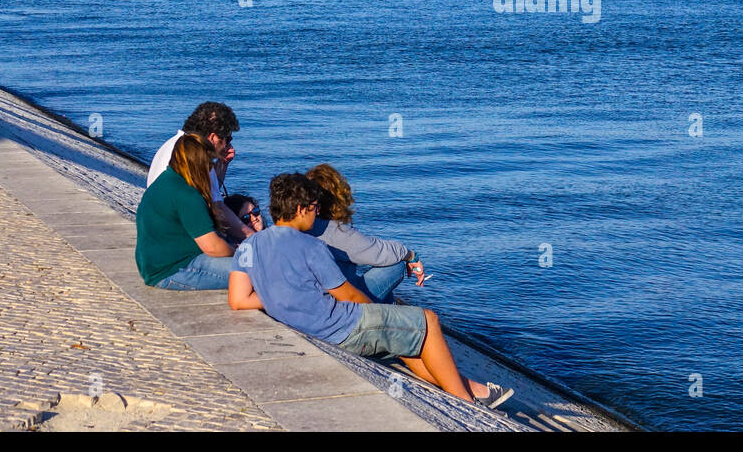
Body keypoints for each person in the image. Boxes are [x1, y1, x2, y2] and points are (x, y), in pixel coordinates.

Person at [229, 173, 512, 409]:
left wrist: (283, 297)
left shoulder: (248, 247)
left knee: (405, 337)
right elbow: (348, 296)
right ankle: (465, 403)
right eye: (314, 207)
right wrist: (382, 312)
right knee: (428, 321)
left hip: (314, 329)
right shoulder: (311, 247)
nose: (317, 213)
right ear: (300, 209)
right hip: (341, 328)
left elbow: (238, 300)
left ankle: (468, 391)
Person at [305, 163, 424, 304]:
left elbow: (366, 246)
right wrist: (411, 256)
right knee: (395, 265)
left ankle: (389, 310)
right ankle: (386, 317)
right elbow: (378, 252)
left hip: (314, 296)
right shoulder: (335, 232)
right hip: (341, 303)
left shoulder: (300, 226)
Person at [136, 133, 236, 289]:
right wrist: (236, 251)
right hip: (174, 270)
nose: (211, 168)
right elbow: (212, 247)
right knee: (253, 271)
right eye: (211, 162)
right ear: (200, 164)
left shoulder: (166, 180)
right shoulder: (186, 195)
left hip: (156, 265)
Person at [147, 102, 253, 241]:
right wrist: (252, 237)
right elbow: (219, 208)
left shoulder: (176, 143)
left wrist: (222, 164)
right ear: (214, 137)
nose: (228, 144)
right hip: (181, 238)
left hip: (163, 230)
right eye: (228, 139)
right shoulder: (193, 156)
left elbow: (210, 192)